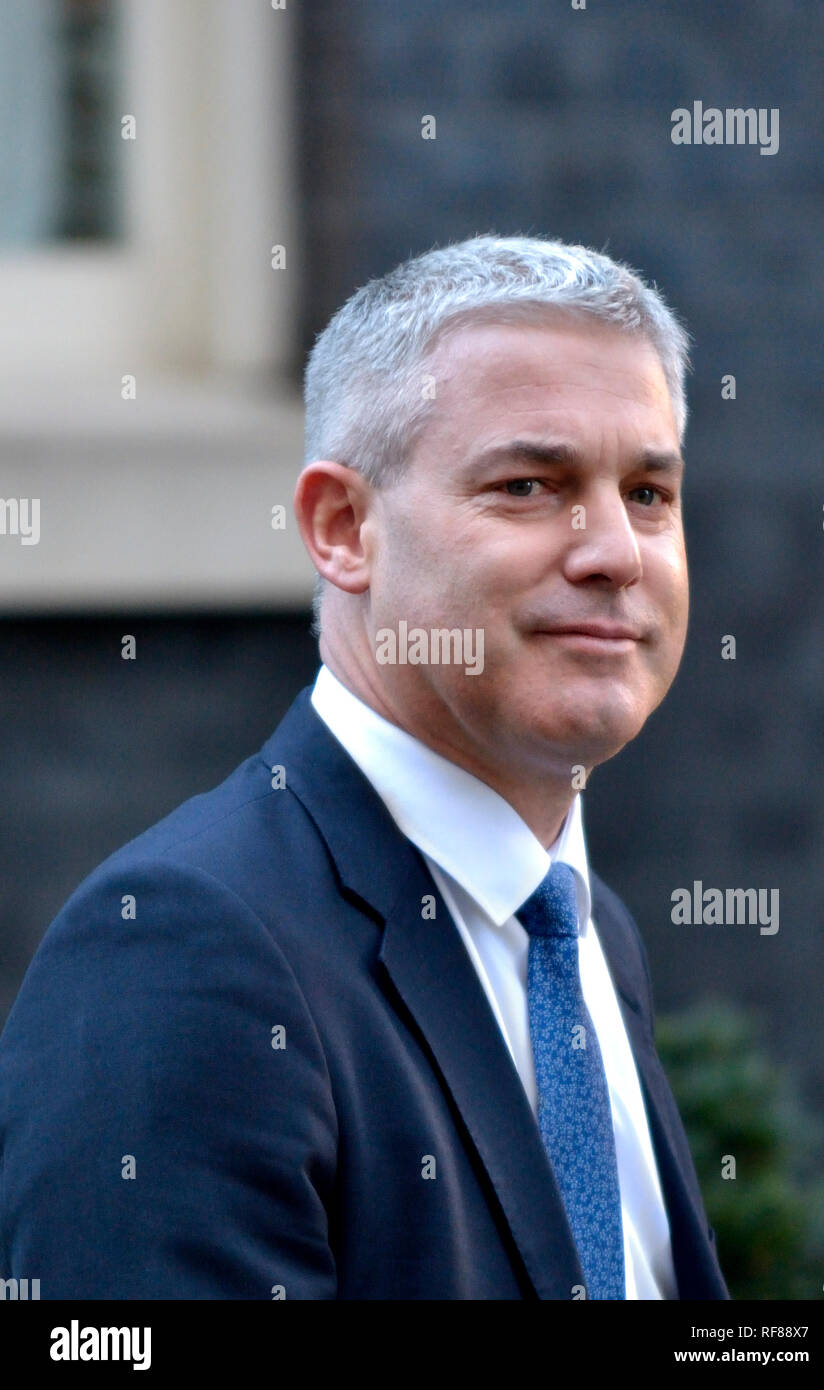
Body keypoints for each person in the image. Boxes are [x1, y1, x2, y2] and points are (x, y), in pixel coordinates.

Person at [0, 234, 728, 1300]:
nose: (614, 550)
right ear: (342, 528)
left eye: (649, 493)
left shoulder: (580, 931)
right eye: (529, 484)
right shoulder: (183, 952)